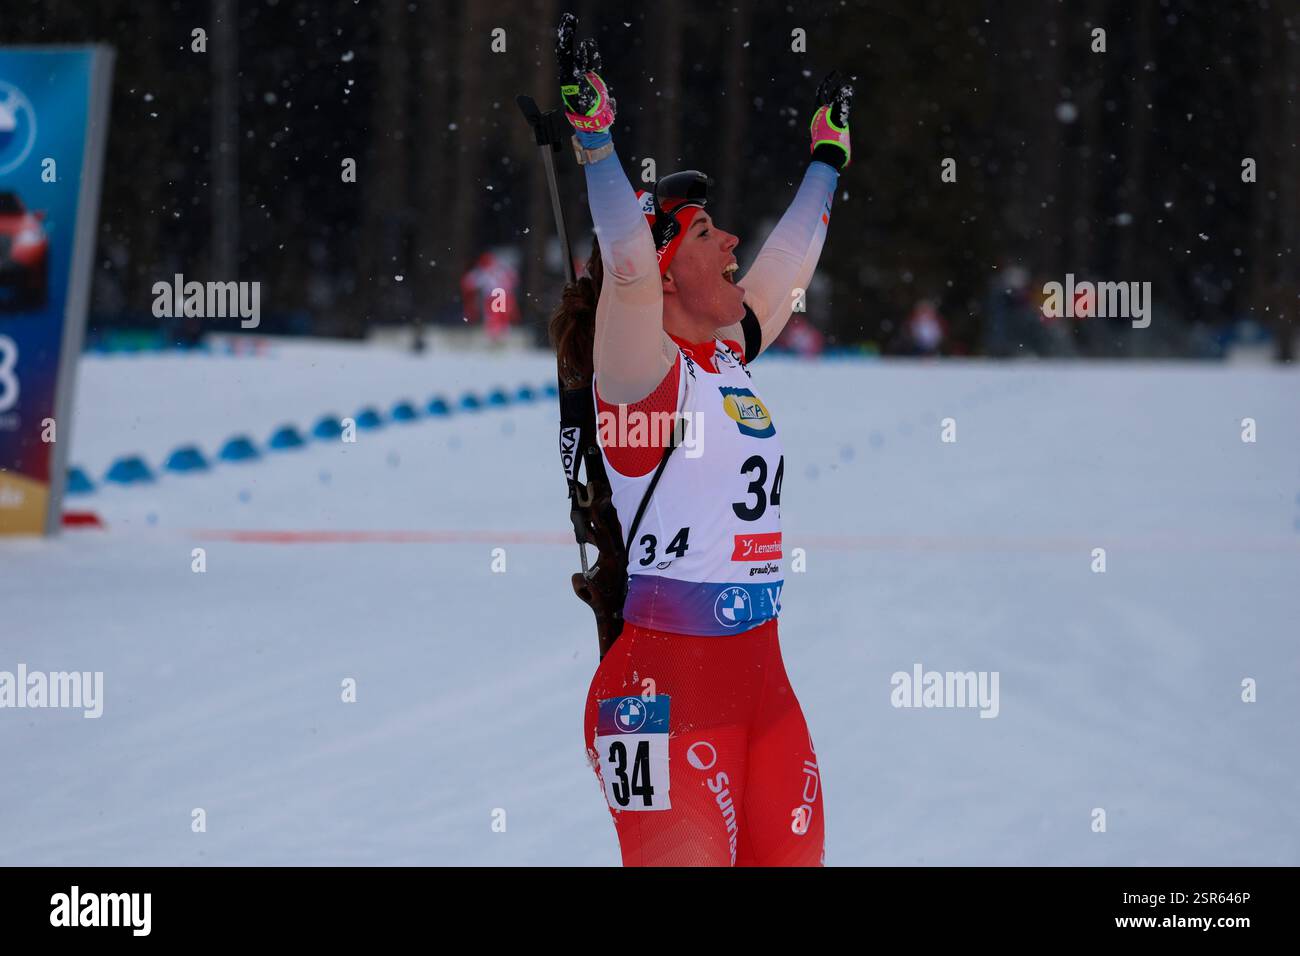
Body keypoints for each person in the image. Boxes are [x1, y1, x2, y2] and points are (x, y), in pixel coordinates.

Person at [547, 14, 850, 866]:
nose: (732, 246)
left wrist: (828, 157)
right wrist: (597, 143)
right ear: (669, 262)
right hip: (659, 696)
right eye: (710, 234)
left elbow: (789, 265)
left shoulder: (725, 357)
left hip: (764, 686)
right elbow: (629, 270)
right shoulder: (639, 366)